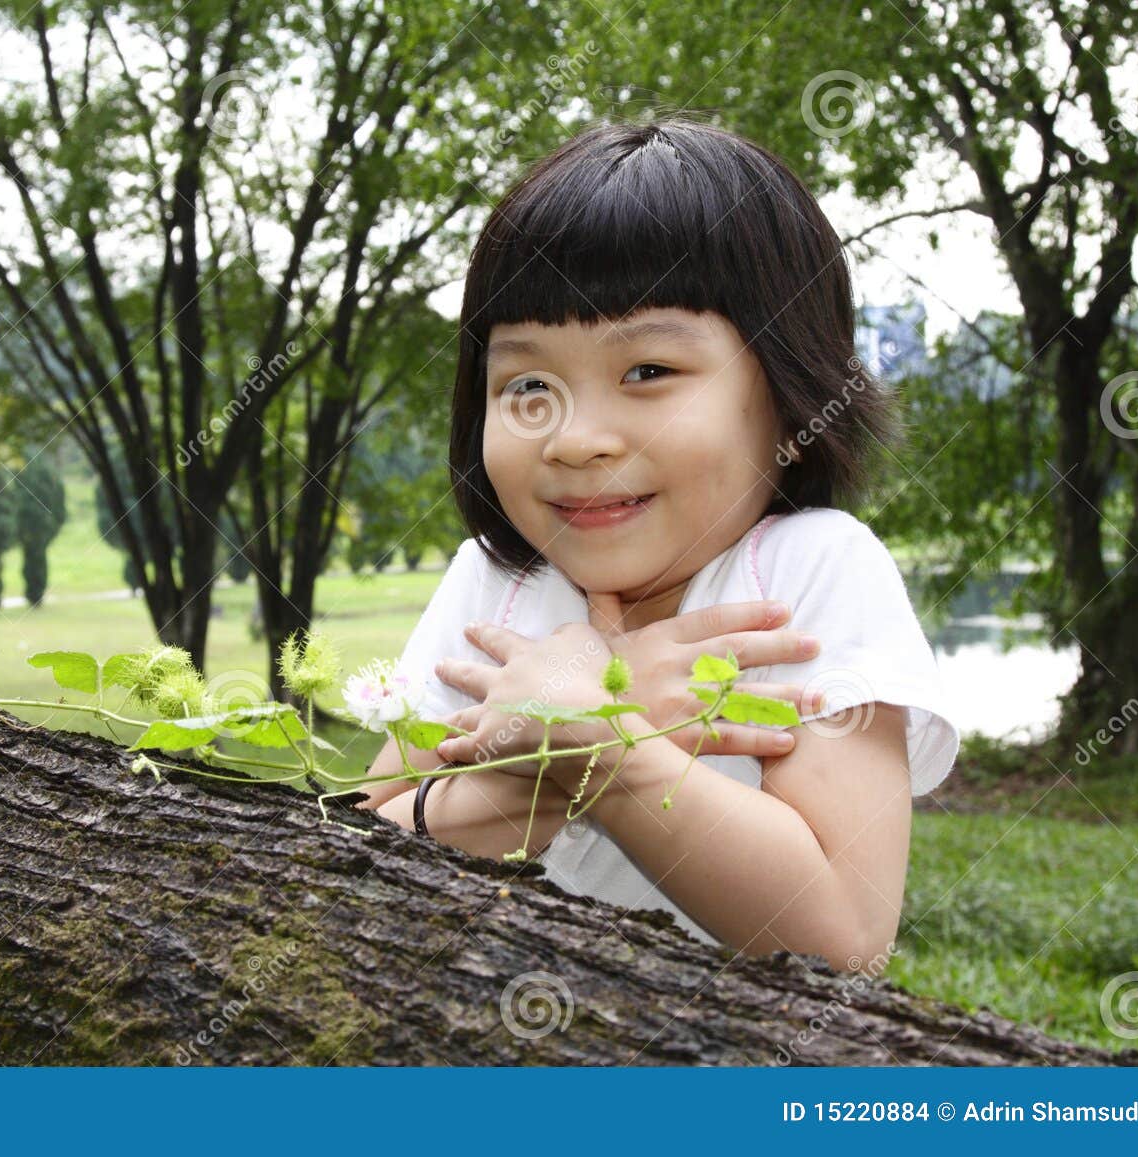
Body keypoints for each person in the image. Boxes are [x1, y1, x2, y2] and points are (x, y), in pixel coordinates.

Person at [354, 116, 959, 972]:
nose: (575, 438)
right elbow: (348, 854)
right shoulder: (497, 583)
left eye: (647, 372)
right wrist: (533, 753)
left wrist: (600, 746)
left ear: (790, 393)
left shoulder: (810, 572)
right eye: (527, 384)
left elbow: (842, 937)